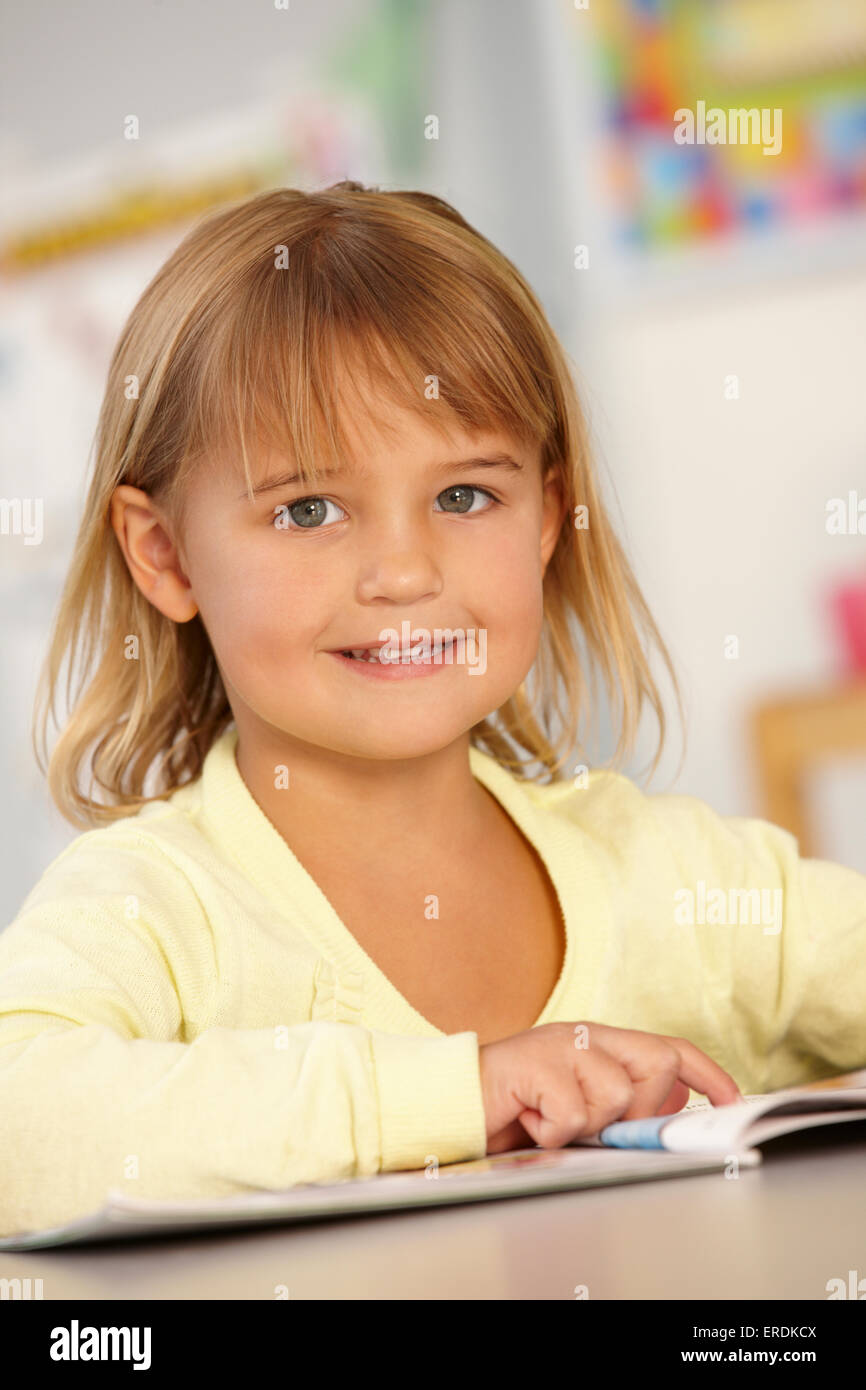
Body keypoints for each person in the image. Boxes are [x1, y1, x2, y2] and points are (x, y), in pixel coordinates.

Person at [1, 182, 863, 1238]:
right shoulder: (152, 909)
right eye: (307, 509)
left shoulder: (678, 882)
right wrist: (458, 1097)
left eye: (463, 497)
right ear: (166, 554)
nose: (404, 572)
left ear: (544, 517)